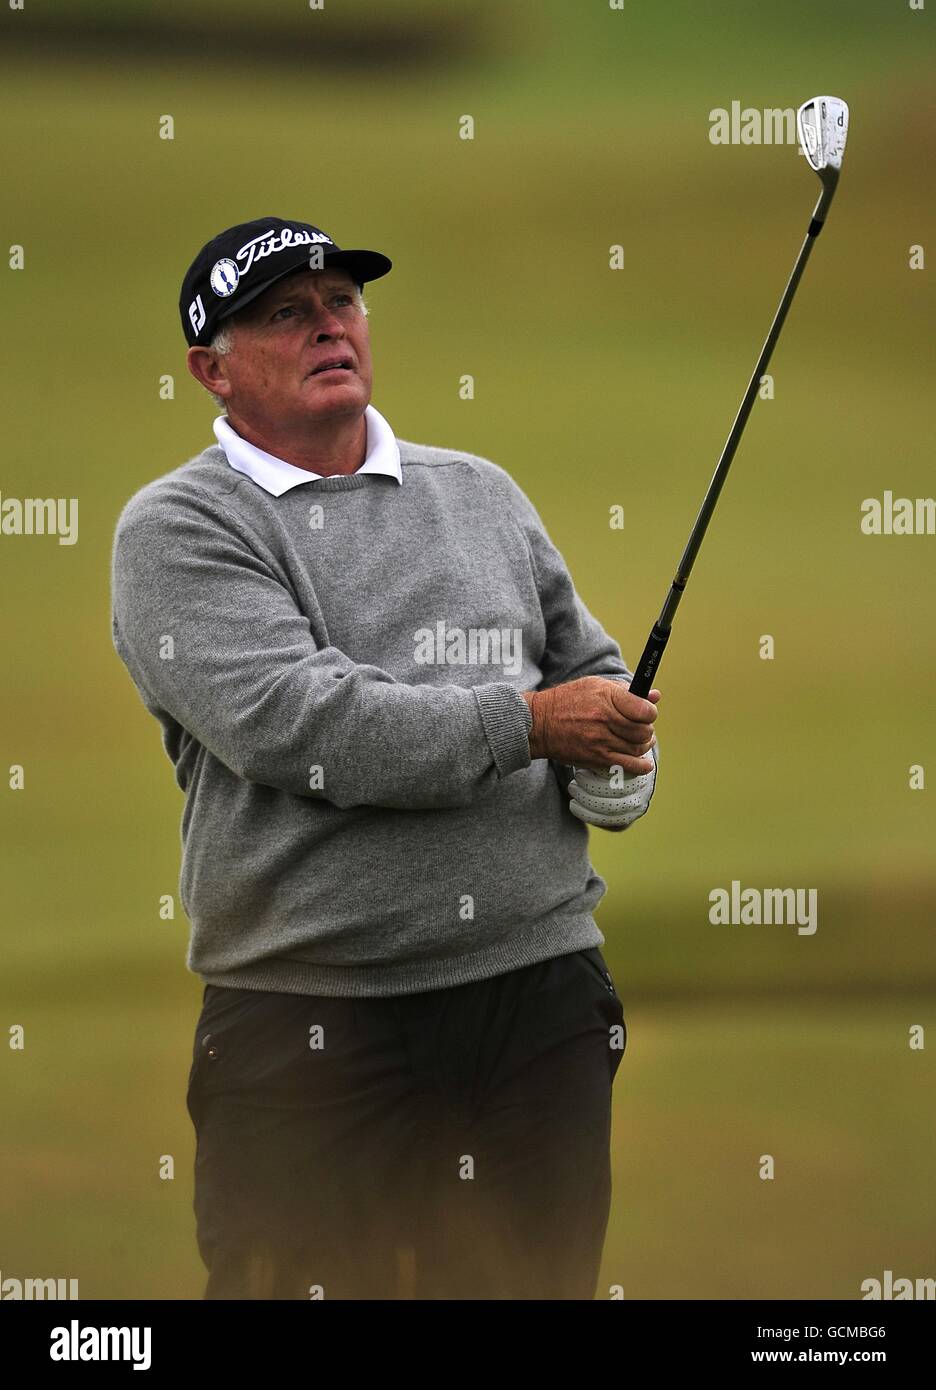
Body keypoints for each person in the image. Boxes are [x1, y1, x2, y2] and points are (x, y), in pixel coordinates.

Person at [109, 216, 662, 1300]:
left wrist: (617, 766)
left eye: (342, 303)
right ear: (211, 370)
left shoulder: (482, 493)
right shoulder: (176, 529)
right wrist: (537, 725)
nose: (328, 326)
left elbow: (595, 685)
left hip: (536, 999)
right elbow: (303, 723)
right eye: (285, 314)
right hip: (307, 1022)